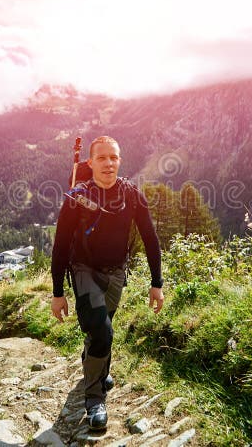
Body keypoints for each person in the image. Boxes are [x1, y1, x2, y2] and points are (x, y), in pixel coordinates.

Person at [50, 135, 164, 431]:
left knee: (104, 327)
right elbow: (61, 246)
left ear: (120, 161)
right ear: (90, 162)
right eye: (101, 158)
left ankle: (95, 366)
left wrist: (157, 283)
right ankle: (94, 400)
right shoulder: (76, 198)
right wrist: (58, 293)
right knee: (101, 328)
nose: (108, 163)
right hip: (83, 269)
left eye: (113, 157)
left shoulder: (131, 195)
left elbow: (151, 239)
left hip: (116, 272)